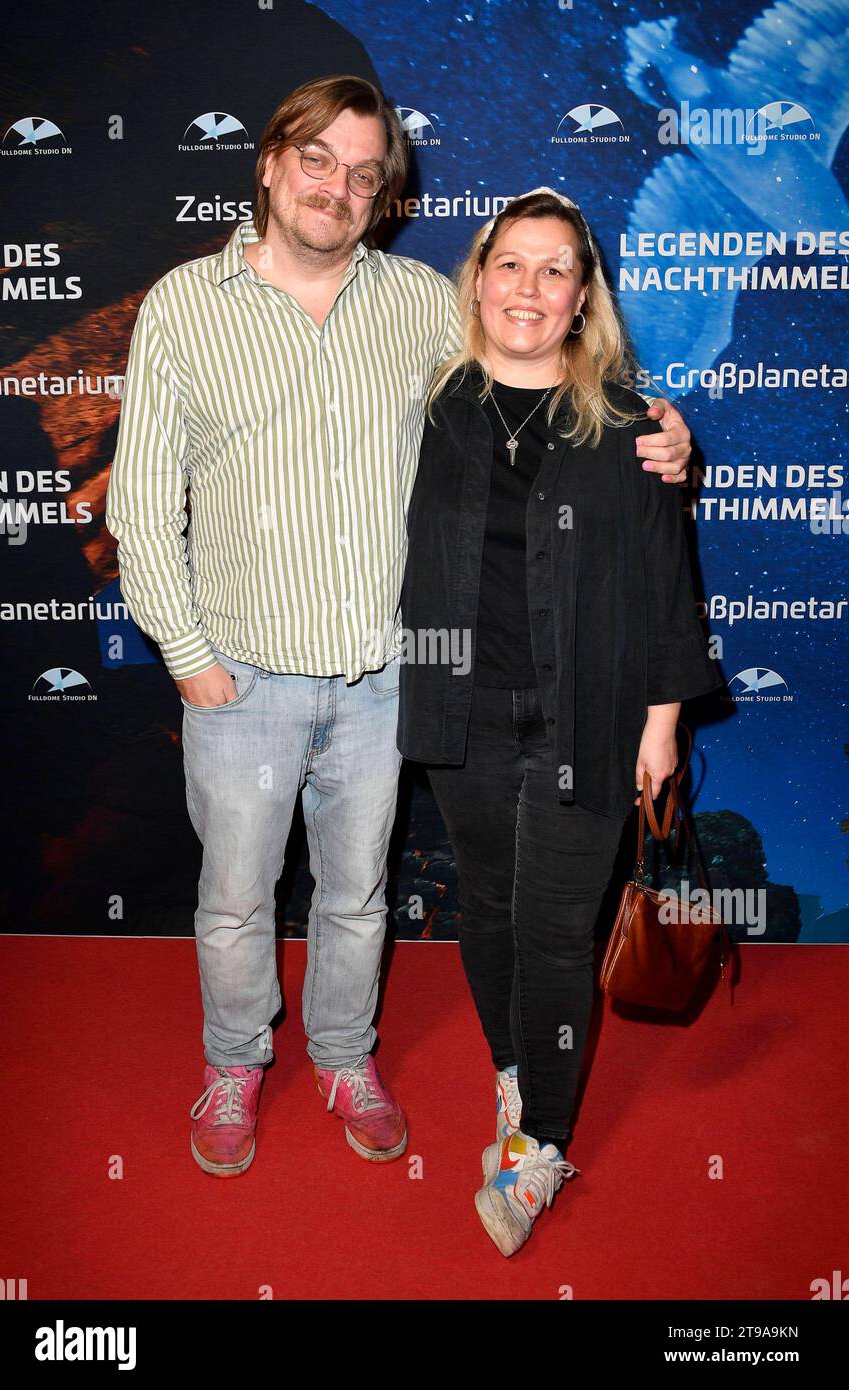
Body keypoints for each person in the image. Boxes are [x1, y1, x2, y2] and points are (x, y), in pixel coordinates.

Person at [105, 76, 694, 1180]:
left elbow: (539, 362)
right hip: (240, 670)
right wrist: (188, 661)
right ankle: (235, 1063)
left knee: (360, 892)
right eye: (318, 160)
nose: (339, 186)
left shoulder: (424, 300)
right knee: (234, 896)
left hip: (392, 673)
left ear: (384, 198)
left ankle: (342, 1055)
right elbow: (140, 502)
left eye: (365, 174)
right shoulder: (186, 303)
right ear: (272, 165)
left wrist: (656, 426)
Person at [396, 187, 724, 1254]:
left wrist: (663, 723)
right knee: (485, 907)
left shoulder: (631, 428)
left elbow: (671, 589)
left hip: (591, 717)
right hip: (463, 709)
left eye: (554, 270)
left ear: (583, 297)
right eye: (511, 264)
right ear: (478, 279)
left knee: (551, 930)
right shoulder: (435, 405)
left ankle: (542, 1140)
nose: (529, 288)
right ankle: (513, 1069)